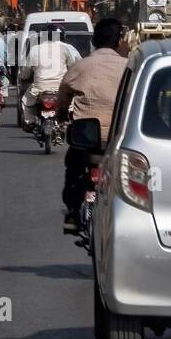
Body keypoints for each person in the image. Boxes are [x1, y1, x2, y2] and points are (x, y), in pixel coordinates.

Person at [57, 18, 128, 231]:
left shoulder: (81, 66)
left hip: (86, 139)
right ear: (119, 41)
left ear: (95, 40)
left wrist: (62, 114)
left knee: (73, 168)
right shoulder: (129, 67)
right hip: (120, 139)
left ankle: (71, 214)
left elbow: (64, 94)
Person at [19, 26, 79, 130]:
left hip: (39, 88)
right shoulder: (64, 48)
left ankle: (31, 122)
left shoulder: (35, 49)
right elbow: (73, 67)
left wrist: (24, 77)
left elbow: (26, 71)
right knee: (72, 104)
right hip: (60, 88)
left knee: (26, 103)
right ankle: (67, 121)